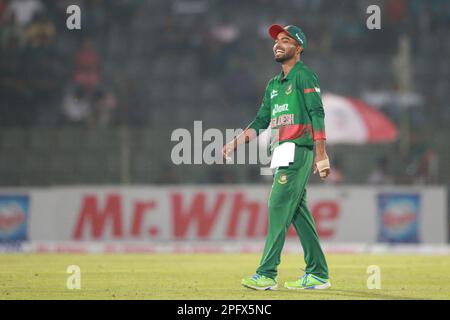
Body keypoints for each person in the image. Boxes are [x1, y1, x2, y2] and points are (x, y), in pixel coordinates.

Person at [223, 24, 331, 290]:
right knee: (297, 213)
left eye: (285, 40)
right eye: (276, 41)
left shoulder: (305, 76)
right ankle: (318, 273)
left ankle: (267, 273)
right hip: (282, 152)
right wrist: (235, 143)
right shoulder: (273, 84)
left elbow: (317, 114)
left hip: (299, 150)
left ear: (299, 48)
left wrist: (322, 155)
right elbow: (261, 121)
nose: (278, 44)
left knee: (277, 205)